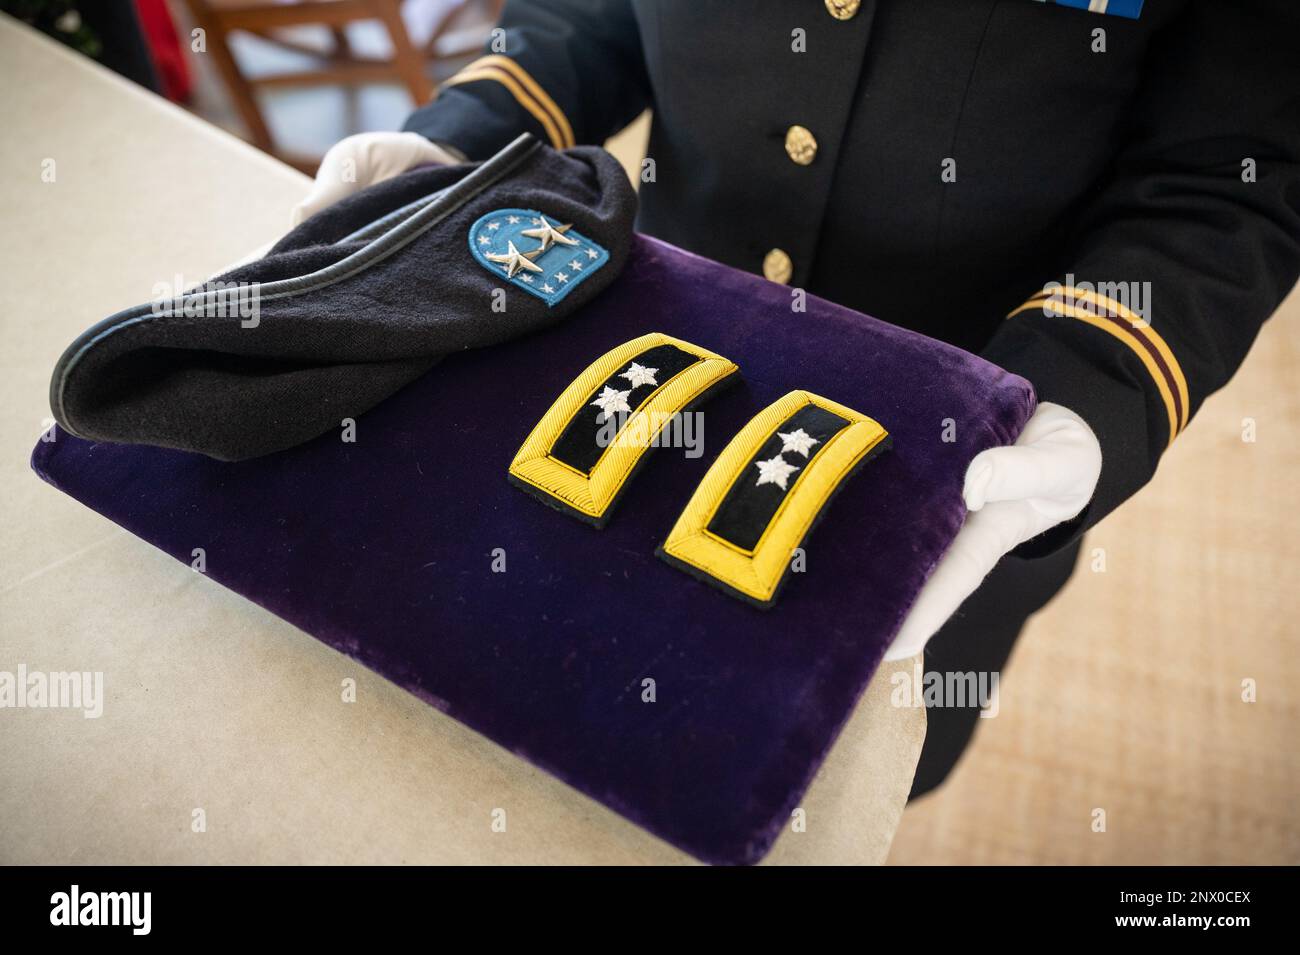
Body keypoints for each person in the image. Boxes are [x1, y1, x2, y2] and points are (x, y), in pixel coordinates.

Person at [294, 0, 1300, 796]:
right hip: (649, 383)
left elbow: (1222, 177)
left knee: (820, 790)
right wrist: (469, 139)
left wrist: (1096, 386)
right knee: (580, 728)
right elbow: (594, 12)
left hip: (951, 469)